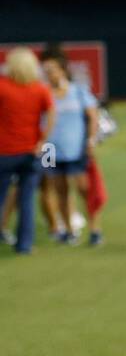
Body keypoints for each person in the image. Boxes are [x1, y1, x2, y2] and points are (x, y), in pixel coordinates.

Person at [38, 50, 102, 246]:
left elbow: (92, 117)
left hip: (76, 148)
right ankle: (68, 229)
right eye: (46, 71)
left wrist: (91, 140)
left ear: (63, 70)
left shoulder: (78, 91)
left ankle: (94, 228)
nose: (50, 74)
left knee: (84, 188)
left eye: (53, 70)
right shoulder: (43, 93)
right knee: (59, 190)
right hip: (49, 149)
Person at [0, 47, 54, 255]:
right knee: (26, 200)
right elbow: (51, 114)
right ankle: (24, 245)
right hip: (31, 153)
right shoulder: (40, 89)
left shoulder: (3, 87)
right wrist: (42, 140)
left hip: (4, 152)